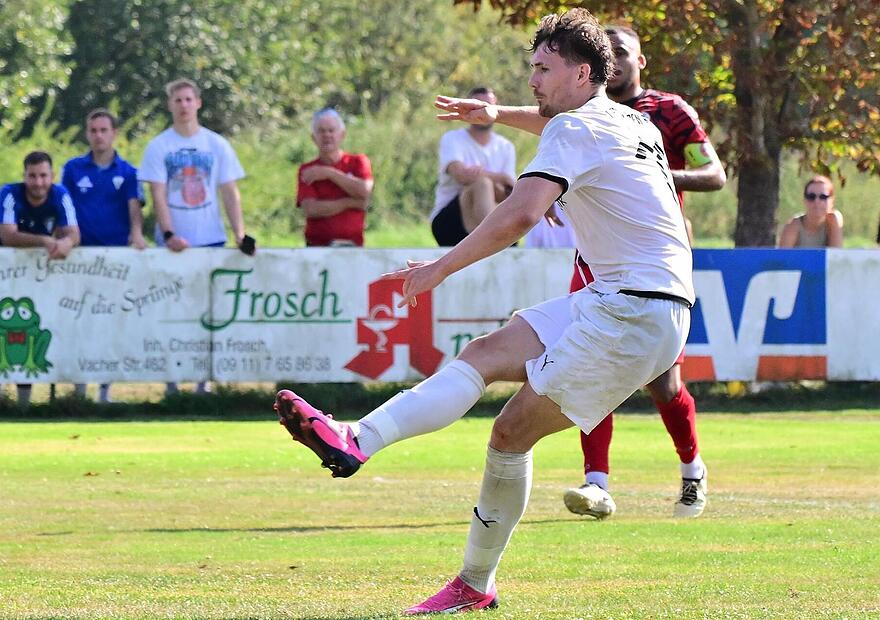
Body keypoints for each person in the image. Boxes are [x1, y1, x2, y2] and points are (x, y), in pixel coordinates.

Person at [275, 9, 693, 613]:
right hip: (636, 300)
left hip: (634, 310)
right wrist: (495, 116)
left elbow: (521, 213)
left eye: (544, 69)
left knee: (508, 435)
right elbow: (556, 129)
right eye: (532, 68)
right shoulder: (629, 120)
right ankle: (355, 439)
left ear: (581, 73)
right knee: (484, 354)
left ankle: (474, 583)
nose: (533, 80)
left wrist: (439, 268)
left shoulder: (575, 129)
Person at [561, 24, 728, 521]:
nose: (614, 60)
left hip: (655, 263)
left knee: (662, 382)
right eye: (606, 52)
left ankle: (692, 469)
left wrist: (656, 173)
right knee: (588, 367)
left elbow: (714, 174)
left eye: (622, 51)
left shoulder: (669, 112)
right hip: (595, 260)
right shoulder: (582, 114)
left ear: (641, 60)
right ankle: (596, 484)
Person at [139, 78, 249, 395]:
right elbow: (157, 194)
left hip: (210, 239)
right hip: (172, 245)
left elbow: (229, 191)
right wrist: (169, 233)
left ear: (198, 103)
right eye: (178, 100)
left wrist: (239, 234)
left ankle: (204, 382)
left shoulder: (216, 144)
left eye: (189, 99)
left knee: (207, 314)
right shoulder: (159, 146)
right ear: (170, 105)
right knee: (171, 312)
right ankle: (171, 382)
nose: (184, 105)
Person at [0, 151, 79, 406]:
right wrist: (45, 240)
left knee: (27, 332)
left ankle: (23, 404)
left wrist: (67, 242)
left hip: (28, 273)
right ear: (24, 176)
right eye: (32, 176)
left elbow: (73, 233)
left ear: (52, 176)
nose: (38, 182)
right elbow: (7, 236)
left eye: (43, 176)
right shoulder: (10, 193)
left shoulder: (60, 194)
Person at [61, 109, 145, 403]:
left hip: (115, 259)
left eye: (103, 130)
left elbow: (135, 208)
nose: (98, 136)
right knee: (79, 321)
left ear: (114, 133)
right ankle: (79, 388)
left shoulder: (128, 172)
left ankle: (105, 390)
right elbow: (63, 207)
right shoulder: (73, 169)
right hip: (80, 257)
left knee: (109, 324)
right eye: (93, 130)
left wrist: (137, 235)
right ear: (87, 133)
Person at [430, 86, 517, 247]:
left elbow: (509, 188)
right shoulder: (453, 139)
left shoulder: (506, 147)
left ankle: (495, 239)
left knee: (499, 190)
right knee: (482, 184)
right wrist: (501, 177)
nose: (482, 112)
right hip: (449, 224)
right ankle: (495, 240)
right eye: (476, 107)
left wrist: (495, 178)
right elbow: (461, 175)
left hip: (487, 217)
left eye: (487, 106)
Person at [296, 108, 373, 247]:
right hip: (317, 247)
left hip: (352, 246)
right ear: (313, 137)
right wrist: (350, 202)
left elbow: (364, 191)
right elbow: (310, 209)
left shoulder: (358, 162)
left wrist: (329, 173)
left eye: (331, 130)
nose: (327, 135)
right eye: (321, 131)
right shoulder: (308, 170)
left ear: (342, 134)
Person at [778, 175, 844, 248]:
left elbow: (835, 253)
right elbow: (783, 254)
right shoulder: (794, 225)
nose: (817, 201)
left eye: (823, 197)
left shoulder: (834, 219)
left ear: (832, 200)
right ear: (804, 200)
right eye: (811, 197)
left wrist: (834, 222)